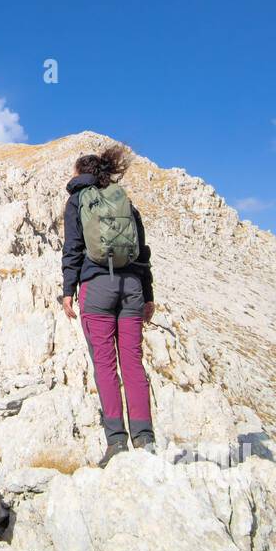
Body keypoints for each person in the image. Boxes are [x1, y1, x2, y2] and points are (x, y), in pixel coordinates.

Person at [60, 144, 156, 466]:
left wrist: (67, 290)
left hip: (97, 288)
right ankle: (145, 438)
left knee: (105, 365)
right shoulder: (122, 200)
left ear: (80, 174)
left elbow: (72, 248)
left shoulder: (77, 200)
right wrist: (148, 294)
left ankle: (116, 443)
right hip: (131, 288)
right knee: (132, 362)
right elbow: (142, 250)